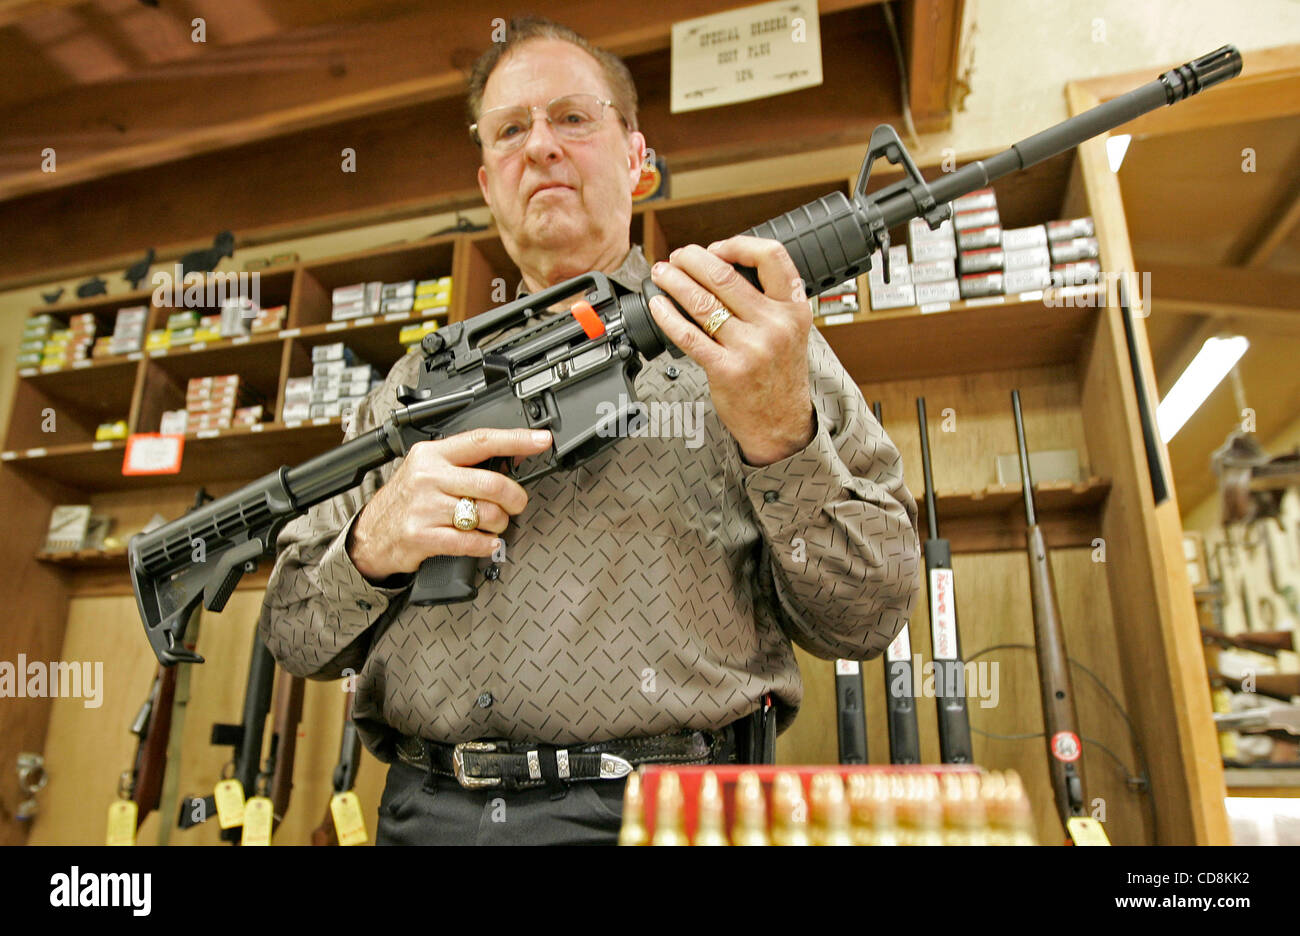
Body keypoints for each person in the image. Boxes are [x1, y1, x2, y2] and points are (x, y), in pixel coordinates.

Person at [259, 16, 919, 845]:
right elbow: (291, 632)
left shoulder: (757, 339)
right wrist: (371, 547)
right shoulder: (407, 391)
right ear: (488, 182)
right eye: (510, 130)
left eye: (574, 118)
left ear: (638, 160)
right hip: (429, 817)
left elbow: (867, 617)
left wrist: (784, 435)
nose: (540, 146)